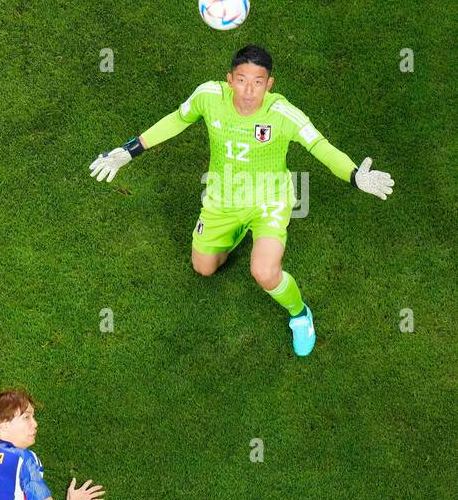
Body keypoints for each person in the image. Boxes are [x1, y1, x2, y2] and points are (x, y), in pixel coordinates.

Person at [89, 44, 394, 356]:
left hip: (269, 201)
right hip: (222, 199)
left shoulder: (283, 113)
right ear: (229, 79)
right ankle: (236, 234)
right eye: (242, 80)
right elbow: (177, 119)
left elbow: (320, 146)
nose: (249, 90)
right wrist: (129, 150)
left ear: (269, 84)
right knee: (204, 268)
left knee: (264, 272)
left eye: (258, 82)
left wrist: (355, 175)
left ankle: (300, 315)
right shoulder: (209, 96)